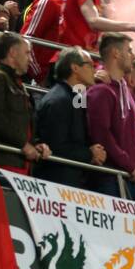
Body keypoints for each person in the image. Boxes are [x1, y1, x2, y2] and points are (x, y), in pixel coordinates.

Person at [87, 33, 135, 200]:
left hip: (131, 176)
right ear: (116, 53)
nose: (133, 56)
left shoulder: (125, 90)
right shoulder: (101, 90)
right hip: (110, 177)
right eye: (129, 50)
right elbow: (102, 135)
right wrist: (131, 166)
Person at [33, 47, 108, 188]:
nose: (95, 70)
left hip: (68, 181)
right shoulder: (59, 100)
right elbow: (55, 146)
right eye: (90, 65)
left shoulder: (73, 97)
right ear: (75, 68)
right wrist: (89, 154)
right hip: (56, 183)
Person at [0, 31, 48, 172]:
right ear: (13, 53)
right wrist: (24, 144)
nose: (30, 59)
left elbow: (22, 124)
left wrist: (35, 144)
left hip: (19, 164)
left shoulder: (18, 84)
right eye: (27, 53)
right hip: (0, 164)